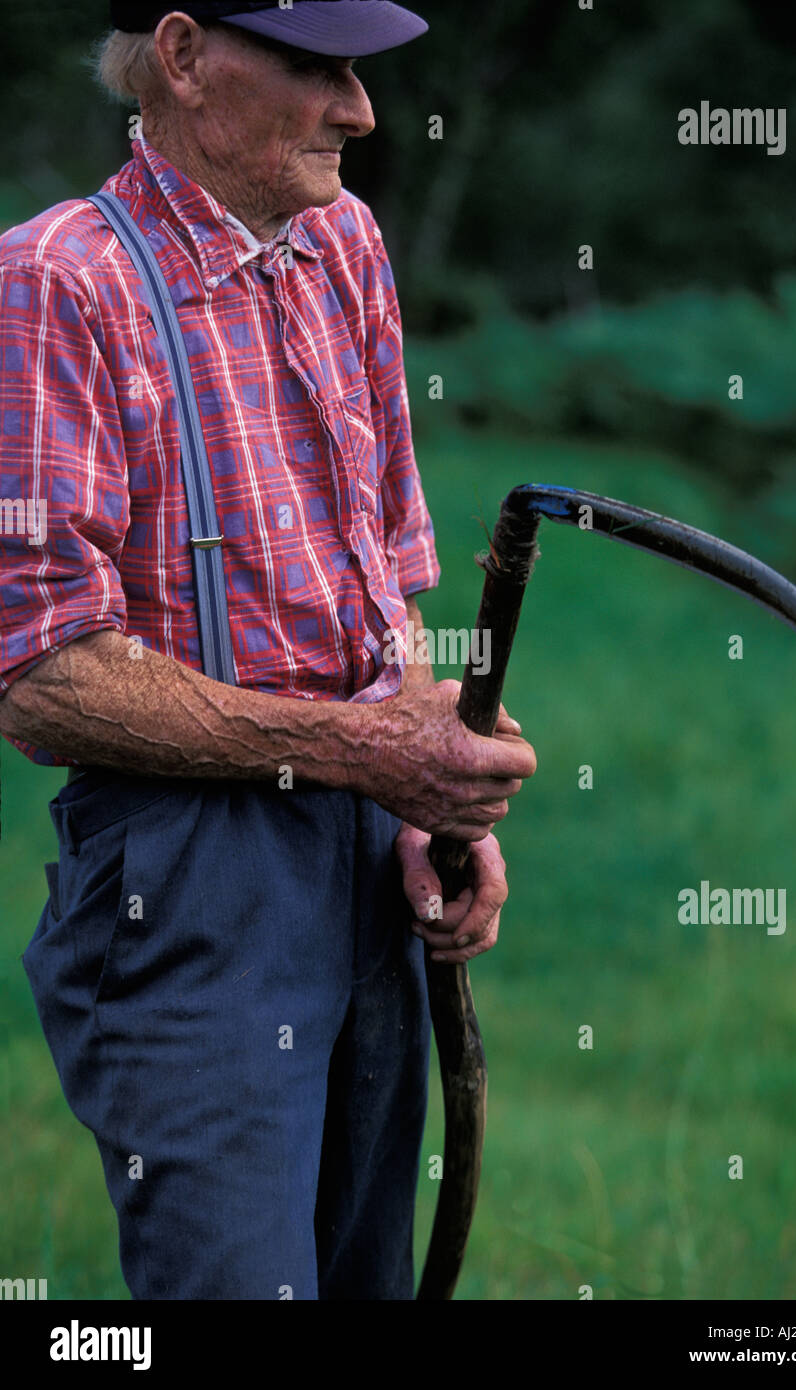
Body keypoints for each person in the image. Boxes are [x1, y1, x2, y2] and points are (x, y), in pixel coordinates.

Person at [0, 2, 536, 1300]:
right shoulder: (57, 281)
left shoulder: (339, 242)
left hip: (365, 852)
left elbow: (385, 578)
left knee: (363, 1273)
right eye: (318, 68)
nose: (358, 109)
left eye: (356, 71)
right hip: (188, 873)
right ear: (183, 57)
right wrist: (363, 745)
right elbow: (38, 673)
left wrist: (413, 788)